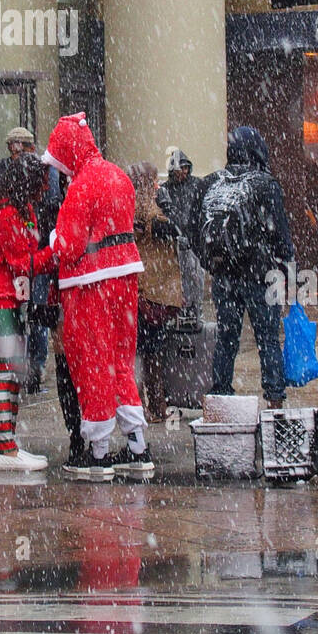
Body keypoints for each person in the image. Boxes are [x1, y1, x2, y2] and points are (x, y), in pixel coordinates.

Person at [43, 113, 150, 481]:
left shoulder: (81, 185)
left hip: (90, 283)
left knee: (93, 361)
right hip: (126, 277)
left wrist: (53, 242)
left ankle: (98, 452)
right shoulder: (118, 176)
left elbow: (70, 244)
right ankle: (137, 446)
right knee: (121, 360)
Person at [197, 126, 293, 408]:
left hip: (224, 275)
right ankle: (274, 399)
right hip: (260, 275)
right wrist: (286, 266)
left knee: (226, 339)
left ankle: (221, 396)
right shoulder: (264, 183)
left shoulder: (214, 182)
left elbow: (198, 228)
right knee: (268, 340)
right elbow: (280, 234)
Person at [0, 154, 54, 470]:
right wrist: (55, 252)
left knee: (10, 373)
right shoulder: (6, 214)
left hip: (9, 300)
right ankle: (6, 448)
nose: (44, 189)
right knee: (3, 373)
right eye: (40, 183)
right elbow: (21, 263)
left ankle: (9, 445)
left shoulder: (17, 211)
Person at [129, 162, 182, 422]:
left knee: (140, 352)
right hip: (152, 289)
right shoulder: (149, 207)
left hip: (139, 287)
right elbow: (174, 228)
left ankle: (143, 406)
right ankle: (153, 405)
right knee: (150, 352)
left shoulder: (128, 204)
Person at [156, 146, 206, 321]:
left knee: (195, 277)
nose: (183, 172)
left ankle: (195, 310)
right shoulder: (165, 190)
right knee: (177, 279)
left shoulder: (197, 185)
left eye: (185, 168)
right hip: (173, 242)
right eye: (180, 168)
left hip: (193, 241)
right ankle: (179, 310)